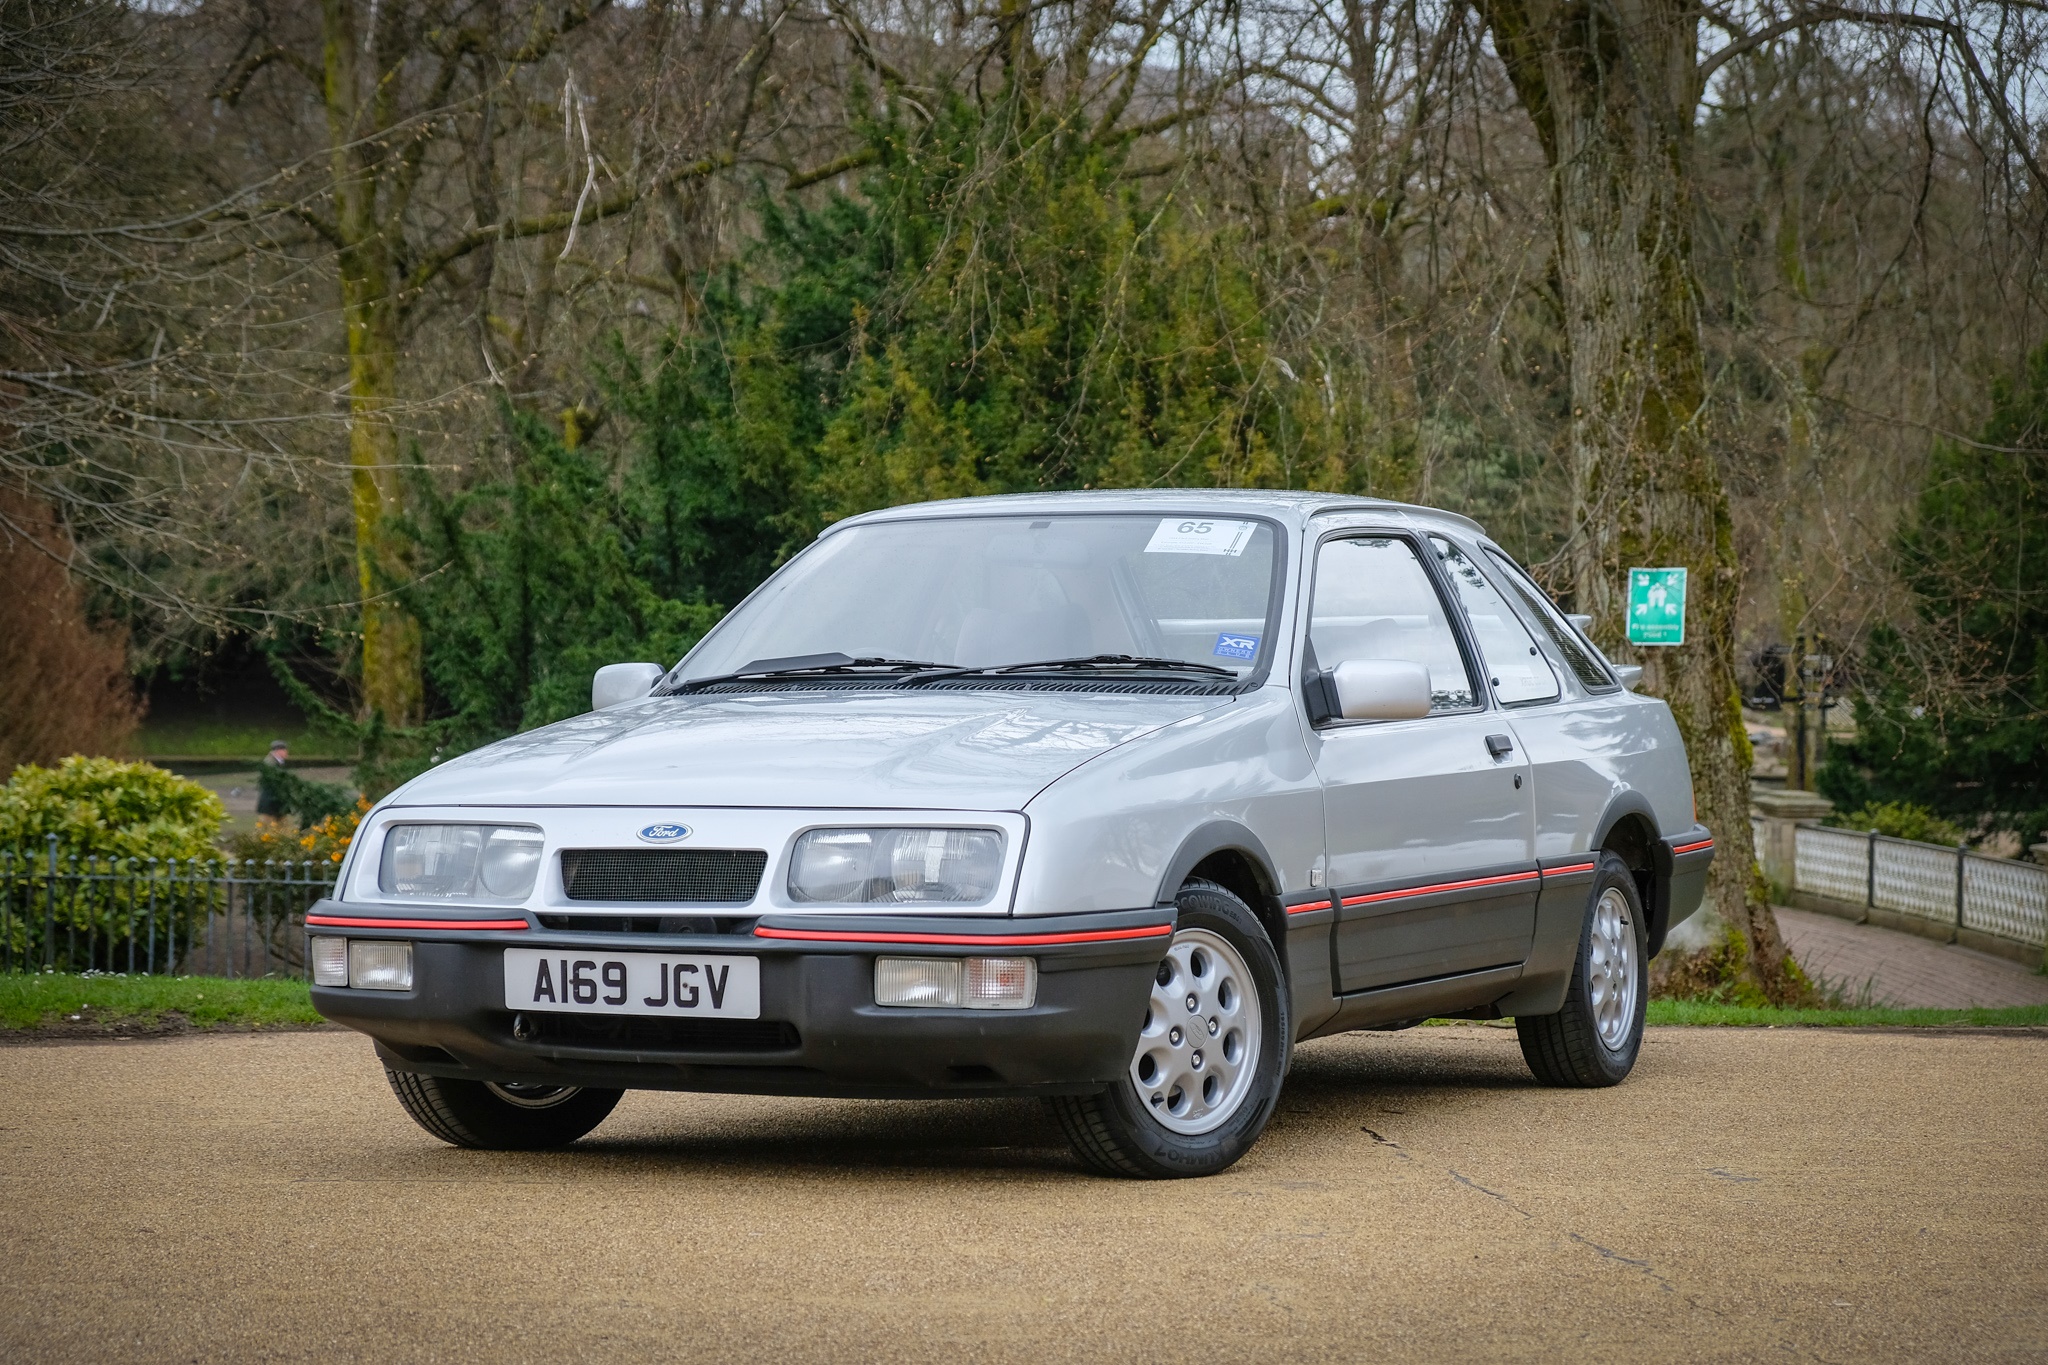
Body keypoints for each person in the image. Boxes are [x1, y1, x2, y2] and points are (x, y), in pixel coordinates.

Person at [255, 740, 289, 817]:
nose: (287, 752)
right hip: (270, 800)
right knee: (267, 824)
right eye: (284, 750)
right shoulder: (270, 762)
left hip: (276, 800)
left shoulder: (278, 761)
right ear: (278, 751)